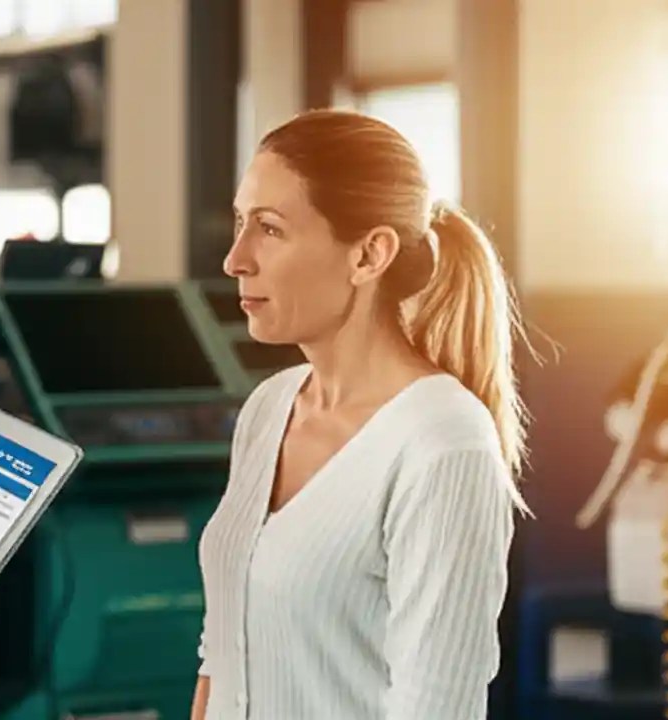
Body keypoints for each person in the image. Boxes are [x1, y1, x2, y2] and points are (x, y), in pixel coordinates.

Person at [192, 109, 532, 720]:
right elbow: (221, 657)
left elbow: (438, 708)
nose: (235, 259)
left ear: (369, 255)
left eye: (269, 229)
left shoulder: (443, 443)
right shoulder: (270, 408)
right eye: (242, 222)